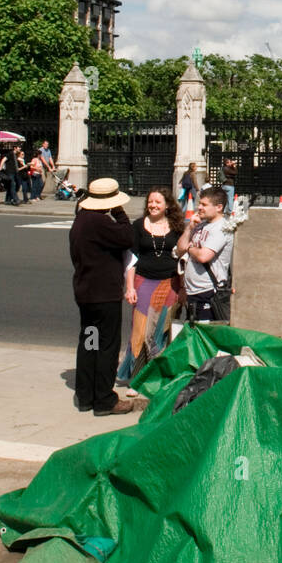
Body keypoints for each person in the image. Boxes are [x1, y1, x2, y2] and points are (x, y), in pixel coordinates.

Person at [69, 177, 137, 415]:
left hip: (85, 293)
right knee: (107, 346)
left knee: (89, 342)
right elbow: (128, 237)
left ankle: (85, 394)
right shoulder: (100, 222)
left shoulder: (81, 221)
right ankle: (105, 399)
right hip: (103, 294)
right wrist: (120, 214)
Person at [118, 187, 184, 390]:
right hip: (144, 281)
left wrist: (183, 288)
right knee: (141, 331)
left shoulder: (177, 226)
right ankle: (136, 377)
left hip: (171, 283)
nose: (153, 205)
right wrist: (130, 287)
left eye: (158, 202)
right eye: (150, 202)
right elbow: (131, 259)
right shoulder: (138, 226)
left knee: (162, 331)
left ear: (167, 205)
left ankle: (156, 376)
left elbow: (183, 257)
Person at [176, 186, 234, 322]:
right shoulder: (200, 225)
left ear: (219, 207)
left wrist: (190, 248)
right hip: (192, 292)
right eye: (199, 204)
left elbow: (203, 256)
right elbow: (179, 249)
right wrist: (189, 228)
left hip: (208, 293)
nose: (199, 207)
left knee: (205, 337)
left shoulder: (222, 228)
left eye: (204, 205)